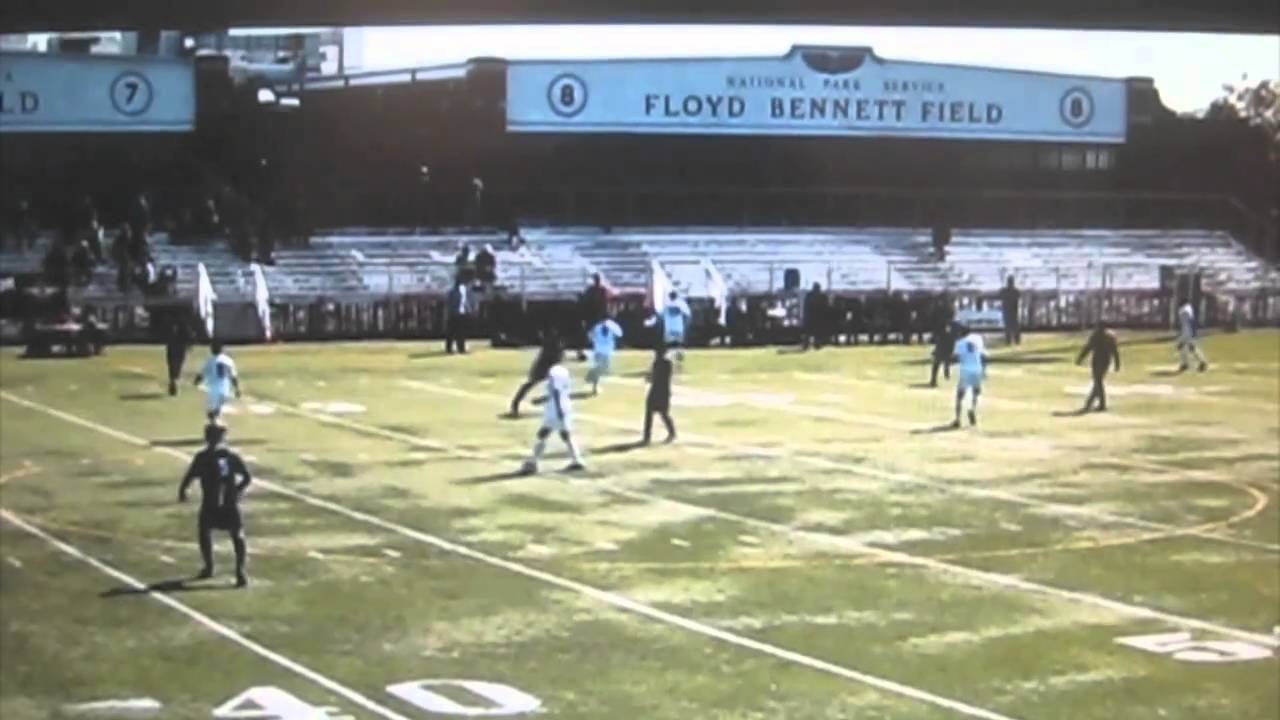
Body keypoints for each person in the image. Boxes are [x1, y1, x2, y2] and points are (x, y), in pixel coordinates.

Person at [178, 423, 252, 588]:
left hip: (211, 502)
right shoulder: (230, 457)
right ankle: (240, 571)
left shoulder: (203, 457)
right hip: (229, 503)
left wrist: (183, 490)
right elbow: (246, 477)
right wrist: (237, 491)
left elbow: (190, 476)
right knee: (237, 535)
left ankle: (210, 566)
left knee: (205, 532)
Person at [519, 346, 585, 474]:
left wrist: (558, 409)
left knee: (543, 434)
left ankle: (532, 463)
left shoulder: (554, 371)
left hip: (555, 409)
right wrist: (543, 399)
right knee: (565, 434)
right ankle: (577, 460)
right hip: (563, 407)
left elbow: (557, 391)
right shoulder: (563, 370)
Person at [510, 333, 562, 417]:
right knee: (532, 382)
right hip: (545, 363)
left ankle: (557, 408)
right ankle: (515, 403)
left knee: (556, 385)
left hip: (551, 362)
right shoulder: (552, 340)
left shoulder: (557, 339)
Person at [1076, 322, 1121, 411]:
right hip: (1105, 362)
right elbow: (1115, 351)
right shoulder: (1110, 337)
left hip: (1097, 362)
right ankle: (1090, 403)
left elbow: (1088, 347)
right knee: (1098, 382)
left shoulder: (1096, 336)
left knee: (1098, 382)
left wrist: (1080, 358)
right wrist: (1117, 363)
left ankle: (1100, 404)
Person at [950, 325, 987, 428]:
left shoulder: (960, 343)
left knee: (959, 396)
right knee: (976, 393)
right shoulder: (977, 339)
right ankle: (972, 410)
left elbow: (955, 357)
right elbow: (983, 355)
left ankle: (957, 419)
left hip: (966, 370)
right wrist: (984, 370)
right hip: (977, 369)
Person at [193, 342, 241, 422]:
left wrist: (196, 382)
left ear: (212, 350)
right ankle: (217, 423)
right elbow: (233, 377)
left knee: (211, 413)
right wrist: (237, 389)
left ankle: (214, 428)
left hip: (214, 390)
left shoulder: (210, 361)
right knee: (217, 410)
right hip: (226, 390)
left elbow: (201, 374)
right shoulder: (229, 360)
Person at [641, 344, 677, 445]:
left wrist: (648, 377)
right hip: (663, 391)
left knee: (654, 413)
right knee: (661, 413)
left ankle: (647, 437)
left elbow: (654, 377)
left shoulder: (661, 363)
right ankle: (671, 433)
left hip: (657, 390)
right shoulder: (666, 363)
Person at [585, 315, 623, 395]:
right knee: (600, 368)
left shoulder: (612, 328)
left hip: (606, 351)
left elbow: (620, 334)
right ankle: (594, 387)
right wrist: (593, 340)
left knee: (603, 368)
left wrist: (612, 326)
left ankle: (592, 376)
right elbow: (590, 335)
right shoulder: (598, 327)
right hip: (599, 351)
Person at [1176, 300, 1209, 372]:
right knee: (1191, 348)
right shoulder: (1188, 309)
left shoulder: (1184, 311)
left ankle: (1187, 364)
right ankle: (1201, 362)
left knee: (1182, 346)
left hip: (1187, 332)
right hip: (1190, 332)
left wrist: (1183, 335)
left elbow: (1186, 324)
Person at [166, 317, 191, 397]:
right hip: (178, 350)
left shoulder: (175, 331)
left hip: (175, 350)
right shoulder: (183, 330)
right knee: (176, 367)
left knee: (173, 367)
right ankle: (174, 382)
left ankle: (173, 382)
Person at [801, 282, 829, 350]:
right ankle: (816, 345)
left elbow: (805, 307)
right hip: (817, 317)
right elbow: (825, 307)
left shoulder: (809, 295)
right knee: (817, 333)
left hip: (810, 317)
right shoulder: (822, 296)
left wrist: (804, 317)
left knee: (808, 333)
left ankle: (806, 345)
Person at [929, 320, 956, 387]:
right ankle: (945, 373)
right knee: (944, 362)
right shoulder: (951, 335)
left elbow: (937, 343)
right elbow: (952, 346)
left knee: (936, 364)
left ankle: (934, 380)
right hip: (945, 352)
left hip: (941, 352)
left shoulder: (941, 334)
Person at [445, 278, 469, 354]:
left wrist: (467, 309)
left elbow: (464, 301)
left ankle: (459, 348)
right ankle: (456, 348)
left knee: (458, 332)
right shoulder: (454, 291)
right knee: (454, 332)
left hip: (458, 313)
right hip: (455, 313)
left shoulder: (459, 290)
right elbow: (450, 303)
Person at [999, 276, 1022, 345]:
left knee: (1008, 327)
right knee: (1015, 327)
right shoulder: (1016, 291)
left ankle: (1009, 341)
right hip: (1013, 311)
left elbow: (1000, 297)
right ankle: (1016, 341)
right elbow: (1018, 301)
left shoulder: (1004, 291)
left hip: (1007, 311)